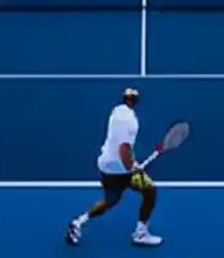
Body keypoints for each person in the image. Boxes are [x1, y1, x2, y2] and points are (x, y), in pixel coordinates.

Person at [66, 88, 162, 248]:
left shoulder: (116, 111)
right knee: (150, 191)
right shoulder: (131, 122)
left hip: (105, 165)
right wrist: (133, 168)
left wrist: (133, 163)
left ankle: (78, 222)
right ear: (135, 102)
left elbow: (122, 147)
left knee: (111, 200)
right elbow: (124, 150)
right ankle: (140, 233)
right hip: (120, 169)